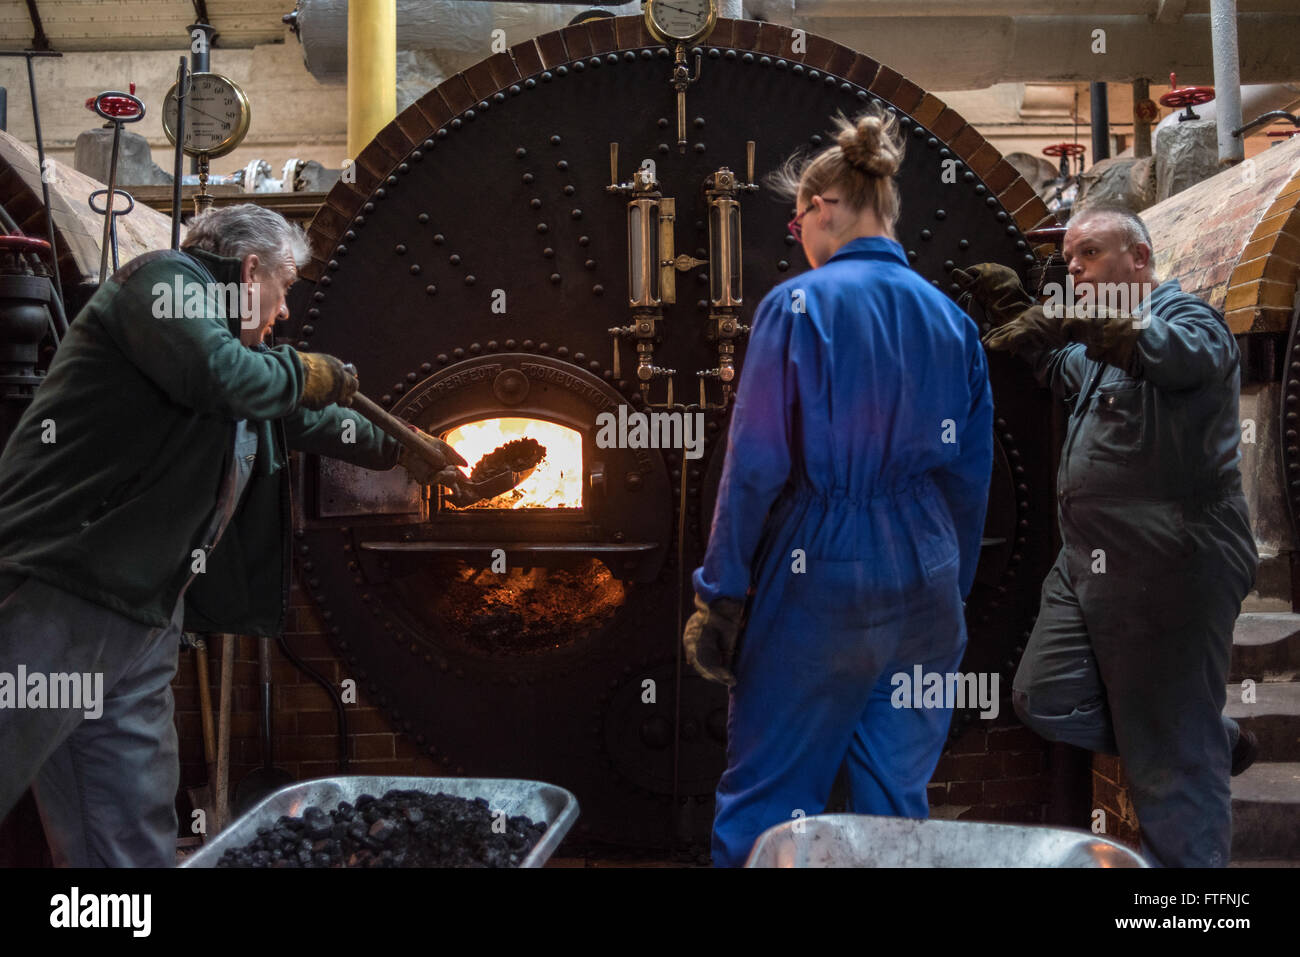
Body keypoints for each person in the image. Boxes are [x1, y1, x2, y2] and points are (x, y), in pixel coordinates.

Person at [0, 204, 460, 866]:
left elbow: (311, 422)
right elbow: (221, 378)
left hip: (144, 610)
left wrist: (404, 449)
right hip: (61, 587)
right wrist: (310, 371)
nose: (285, 314)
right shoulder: (163, 284)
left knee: (126, 818)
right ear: (249, 271)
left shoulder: (238, 357)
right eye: (285, 289)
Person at [683, 105, 994, 867]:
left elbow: (752, 467)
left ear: (821, 209)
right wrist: (947, 588)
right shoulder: (952, 320)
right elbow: (969, 476)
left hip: (821, 569)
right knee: (896, 809)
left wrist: (720, 593)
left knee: (769, 802)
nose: (802, 246)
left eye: (797, 228)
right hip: (927, 574)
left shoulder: (797, 307)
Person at [954, 203, 1259, 867]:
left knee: (1170, 767)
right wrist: (1016, 311)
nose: (1073, 268)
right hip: (1091, 564)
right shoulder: (1095, 355)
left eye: (1087, 254)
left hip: (1171, 562)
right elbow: (1055, 362)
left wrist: (1073, 313)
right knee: (1044, 694)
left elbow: (1176, 356)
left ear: (1139, 258)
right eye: (1068, 259)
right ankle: (1199, 736)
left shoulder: (1189, 319)